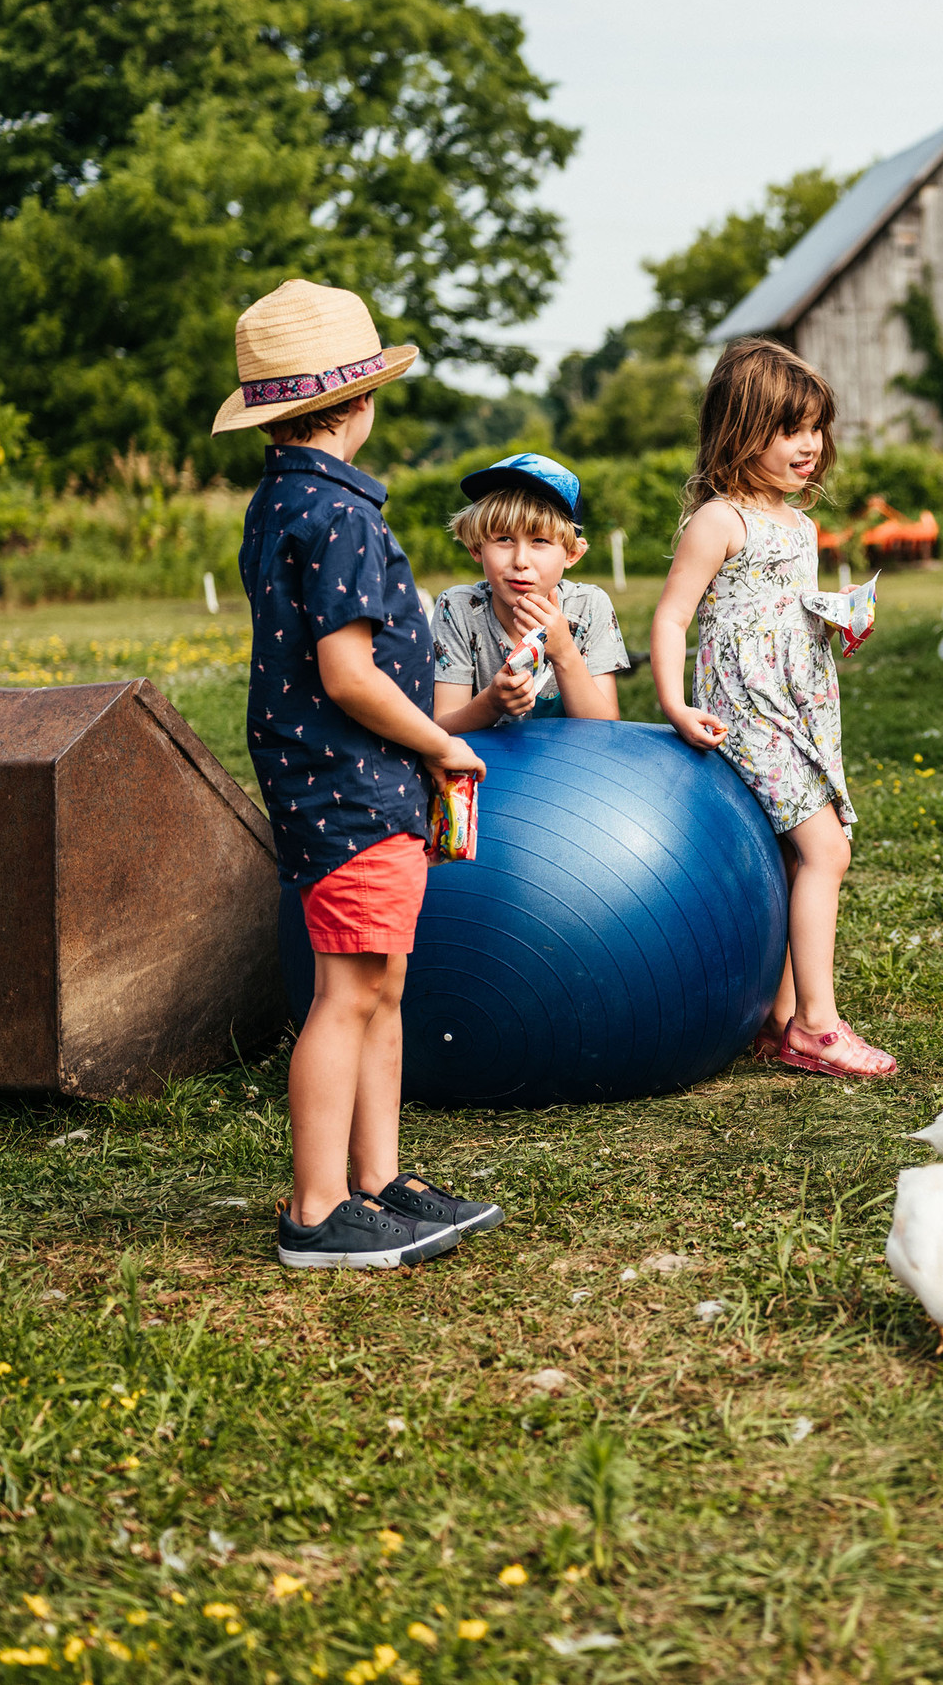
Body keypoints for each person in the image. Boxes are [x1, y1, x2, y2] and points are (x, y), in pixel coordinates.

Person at [228, 278, 504, 1269]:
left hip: (348, 786)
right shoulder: (336, 515)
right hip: (350, 785)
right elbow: (348, 673)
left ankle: (378, 1183)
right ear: (358, 402)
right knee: (348, 990)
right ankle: (316, 1207)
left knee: (379, 981)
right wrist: (442, 742)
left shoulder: (283, 500)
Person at [650, 337, 896, 1080]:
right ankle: (818, 1027)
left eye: (816, 428)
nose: (809, 446)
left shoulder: (800, 525)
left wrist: (832, 620)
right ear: (738, 431)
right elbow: (672, 617)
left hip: (801, 705)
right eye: (789, 430)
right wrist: (674, 704)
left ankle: (779, 1020)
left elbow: (780, 613)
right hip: (749, 711)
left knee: (795, 854)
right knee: (827, 850)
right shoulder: (721, 521)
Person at [431, 452, 630, 732]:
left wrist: (563, 653)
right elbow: (442, 728)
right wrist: (490, 703)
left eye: (539, 540)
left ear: (572, 553)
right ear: (476, 548)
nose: (520, 560)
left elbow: (605, 731)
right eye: (504, 539)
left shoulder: (589, 607)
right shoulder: (459, 609)